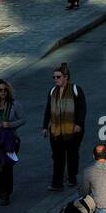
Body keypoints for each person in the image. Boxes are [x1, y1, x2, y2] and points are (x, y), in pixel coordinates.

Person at [42, 63, 86, 191]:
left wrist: (79, 124)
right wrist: (45, 127)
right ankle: (57, 182)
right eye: (54, 77)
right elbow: (47, 110)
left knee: (72, 154)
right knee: (57, 157)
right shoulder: (52, 91)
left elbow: (82, 108)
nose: (56, 79)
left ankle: (72, 177)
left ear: (66, 77)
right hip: (55, 131)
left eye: (58, 77)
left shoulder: (75, 90)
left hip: (73, 130)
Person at [0, 79, 25, 205]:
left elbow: (23, 119)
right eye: (0, 90)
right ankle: (1, 186)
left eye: (5, 90)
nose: (3, 92)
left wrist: (10, 124)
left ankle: (6, 193)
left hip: (11, 141)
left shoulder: (14, 104)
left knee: (7, 167)